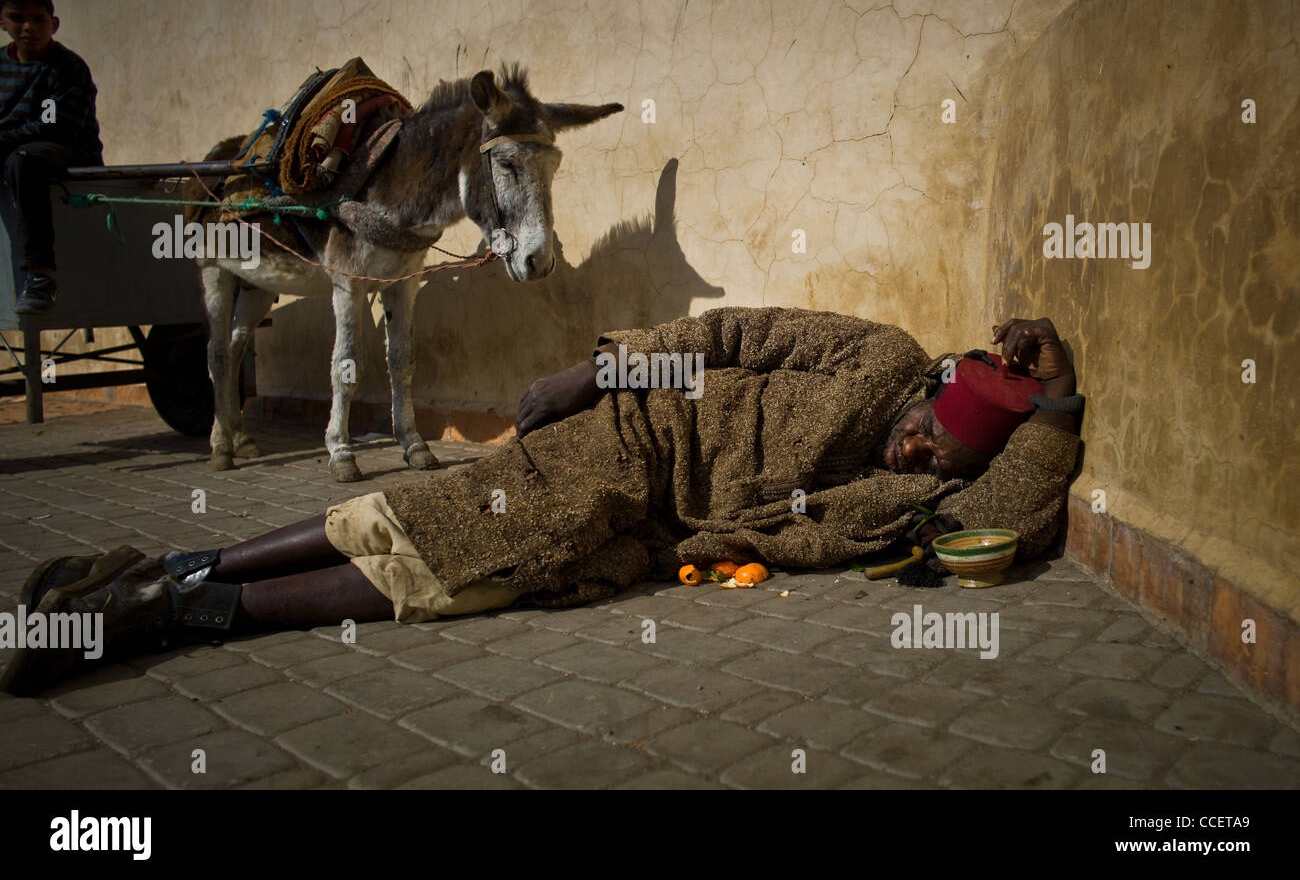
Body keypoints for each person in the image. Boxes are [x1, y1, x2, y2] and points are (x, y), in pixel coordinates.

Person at [1, 308, 1083, 695]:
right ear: (935, 387)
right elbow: (725, 334)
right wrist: (596, 373)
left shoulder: (911, 498)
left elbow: (1022, 499)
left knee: (472, 544)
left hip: (655, 522)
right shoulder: (879, 351)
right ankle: (172, 598)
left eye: (935, 463)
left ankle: (162, 586)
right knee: (465, 544)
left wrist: (1057, 404)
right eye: (922, 435)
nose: (911, 455)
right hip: (639, 431)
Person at [0, 0, 104, 315]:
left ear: (53, 24)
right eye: (17, 18)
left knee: (23, 161)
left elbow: (54, 126)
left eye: (38, 19)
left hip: (68, 152)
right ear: (2, 23)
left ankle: (40, 274)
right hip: (14, 148)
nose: (28, 27)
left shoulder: (67, 68)